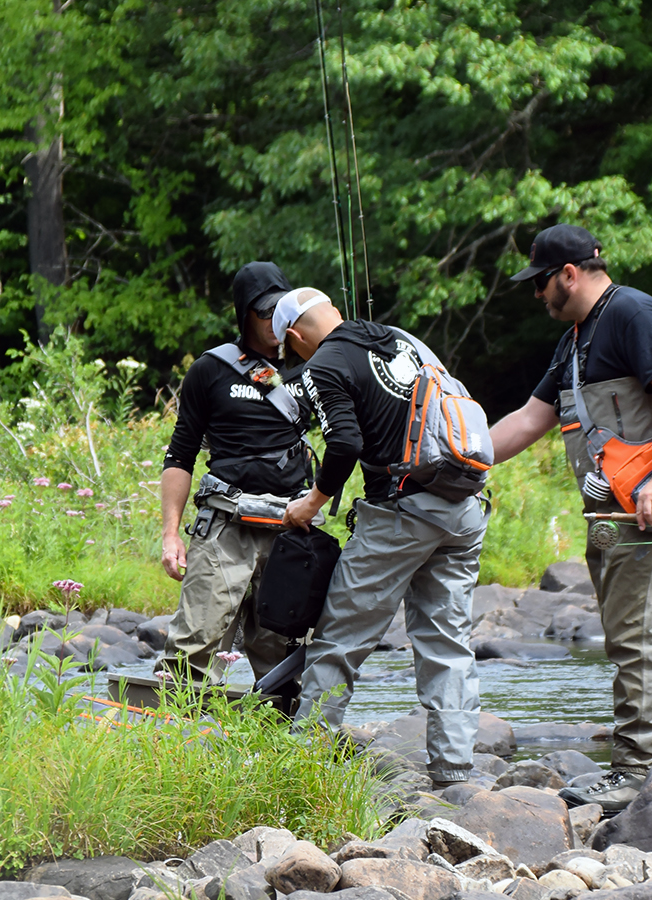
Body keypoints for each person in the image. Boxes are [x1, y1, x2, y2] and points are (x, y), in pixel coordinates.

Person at [487, 224, 652, 812]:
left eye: (539, 283)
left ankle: (635, 768)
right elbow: (528, 420)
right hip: (612, 513)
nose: (537, 295)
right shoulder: (573, 343)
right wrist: (458, 454)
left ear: (568, 274)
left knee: (639, 635)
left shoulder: (635, 312)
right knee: (647, 635)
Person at [275, 288, 487, 788]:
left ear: (294, 336)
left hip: (401, 513)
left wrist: (311, 503)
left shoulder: (324, 364)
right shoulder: (399, 339)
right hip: (463, 506)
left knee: (339, 639)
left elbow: (344, 443)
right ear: (334, 311)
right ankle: (454, 771)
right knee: (448, 642)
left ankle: (303, 764)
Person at [155, 262, 314, 685]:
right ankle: (173, 721)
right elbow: (180, 456)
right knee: (193, 645)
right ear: (244, 314)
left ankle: (279, 723)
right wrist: (171, 535)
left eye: (280, 309)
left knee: (283, 654)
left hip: (290, 527)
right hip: (225, 525)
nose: (274, 320)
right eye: (264, 312)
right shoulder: (211, 369)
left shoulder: (313, 367)